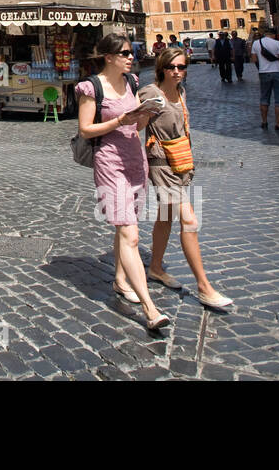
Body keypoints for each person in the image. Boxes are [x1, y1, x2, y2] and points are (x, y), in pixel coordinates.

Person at [75, 33, 169, 333]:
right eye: (126, 53)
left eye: (132, 52)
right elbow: (86, 129)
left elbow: (138, 124)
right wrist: (119, 120)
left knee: (124, 225)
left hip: (134, 159)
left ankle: (119, 279)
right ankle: (150, 309)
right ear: (109, 57)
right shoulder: (92, 88)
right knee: (131, 234)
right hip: (109, 162)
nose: (132, 57)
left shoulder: (132, 83)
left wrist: (146, 113)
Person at [139, 47, 233, 310]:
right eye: (172, 68)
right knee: (189, 219)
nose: (178, 72)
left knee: (166, 215)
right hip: (161, 163)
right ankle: (204, 287)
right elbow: (135, 126)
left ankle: (156, 267)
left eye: (182, 67)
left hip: (180, 161)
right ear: (162, 68)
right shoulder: (151, 93)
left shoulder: (180, 92)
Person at [251, 28, 279, 130]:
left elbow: (254, 59)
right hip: (277, 72)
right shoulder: (277, 43)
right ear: (273, 35)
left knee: (264, 98)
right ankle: (278, 124)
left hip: (264, 72)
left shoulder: (256, 43)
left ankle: (264, 122)